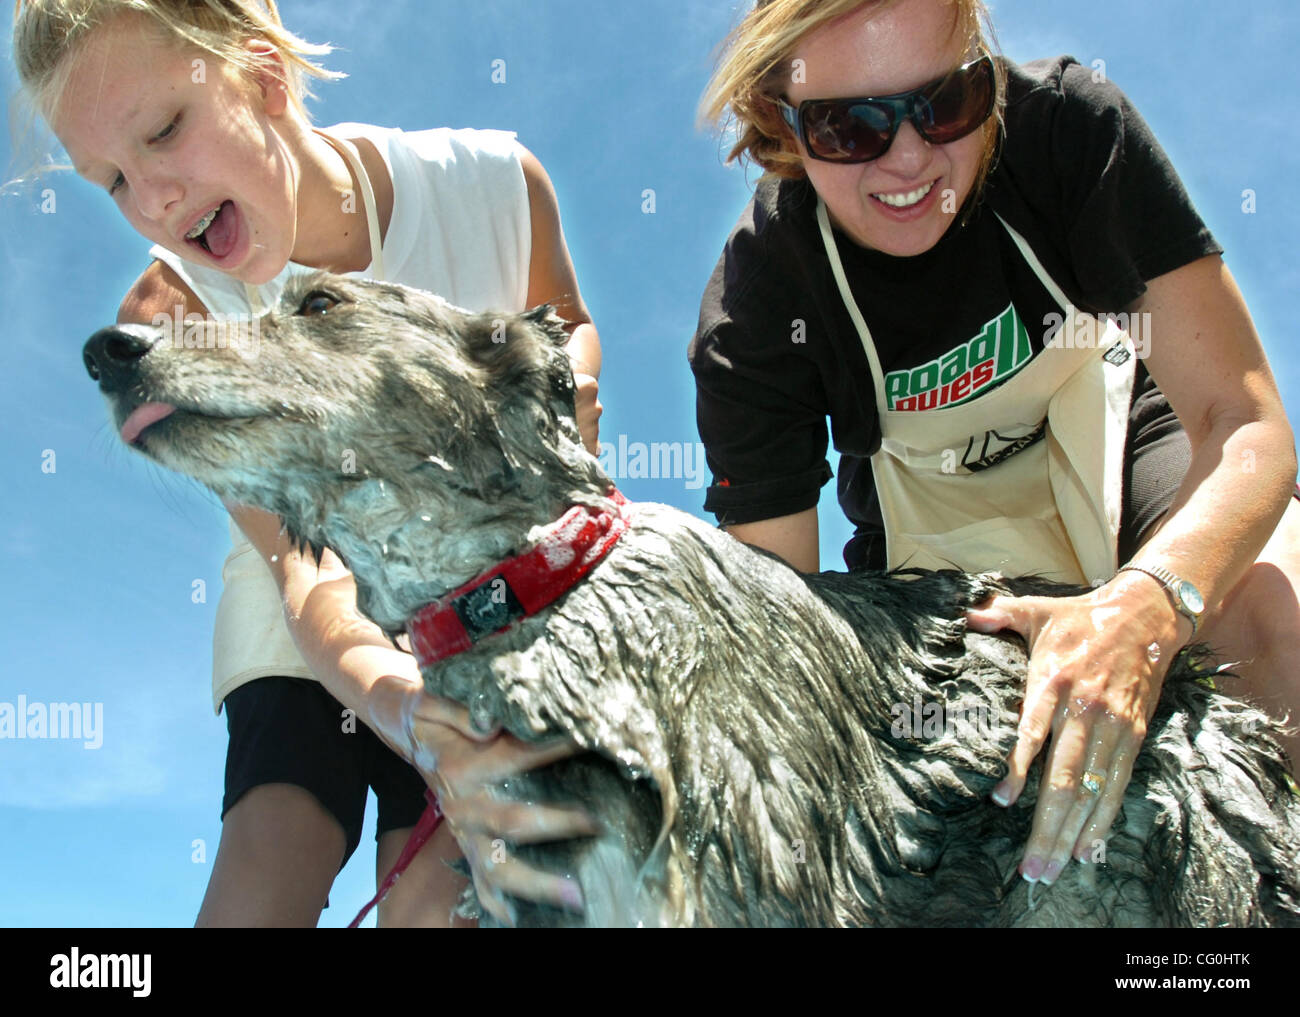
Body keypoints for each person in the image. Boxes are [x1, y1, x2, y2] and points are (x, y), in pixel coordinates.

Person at [14, 0, 601, 926]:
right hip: (304, 574)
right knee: (271, 850)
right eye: (111, 180)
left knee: (436, 901)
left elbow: (564, 324)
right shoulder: (170, 325)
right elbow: (305, 570)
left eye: (164, 129)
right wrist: (403, 704)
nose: (152, 201)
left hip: (481, 578)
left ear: (265, 75)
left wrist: (569, 394)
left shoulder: (495, 185)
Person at [693, 0, 1299, 891]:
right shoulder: (757, 303)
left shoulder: (1069, 129)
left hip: (1119, 438)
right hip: (933, 534)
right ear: (779, 122)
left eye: (947, 102)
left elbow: (1247, 428)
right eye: (846, 125)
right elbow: (776, 640)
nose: (906, 158)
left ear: (986, 69)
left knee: (1275, 617)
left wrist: (1146, 609)